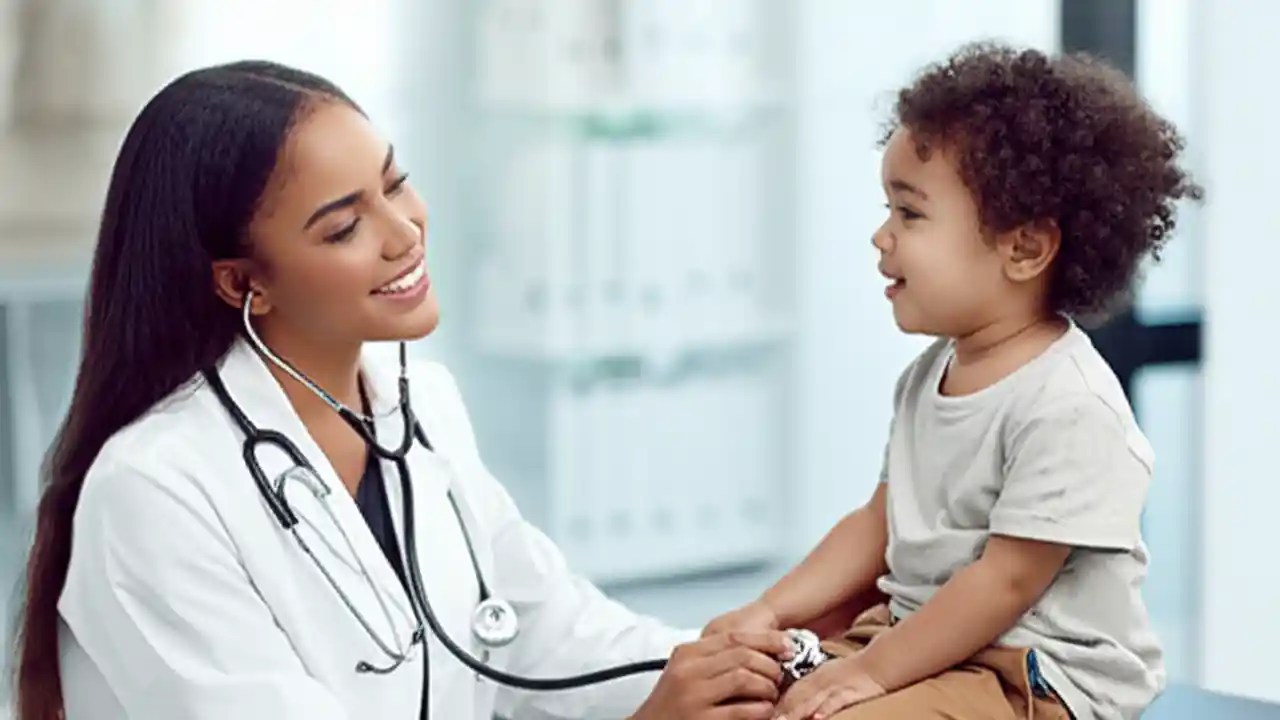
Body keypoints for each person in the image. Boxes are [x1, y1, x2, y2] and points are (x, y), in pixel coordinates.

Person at [11, 61, 793, 720]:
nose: (405, 231)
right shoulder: (154, 491)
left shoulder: (420, 405)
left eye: (396, 183)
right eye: (344, 227)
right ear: (244, 282)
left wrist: (723, 667)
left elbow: (538, 627)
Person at [704, 43, 1203, 720]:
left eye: (909, 214)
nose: (881, 238)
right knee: (746, 700)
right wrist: (769, 610)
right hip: (924, 636)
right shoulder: (929, 375)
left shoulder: (1070, 407)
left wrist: (871, 674)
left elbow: (1006, 581)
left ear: (1024, 248)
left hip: (1031, 672)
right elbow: (878, 522)